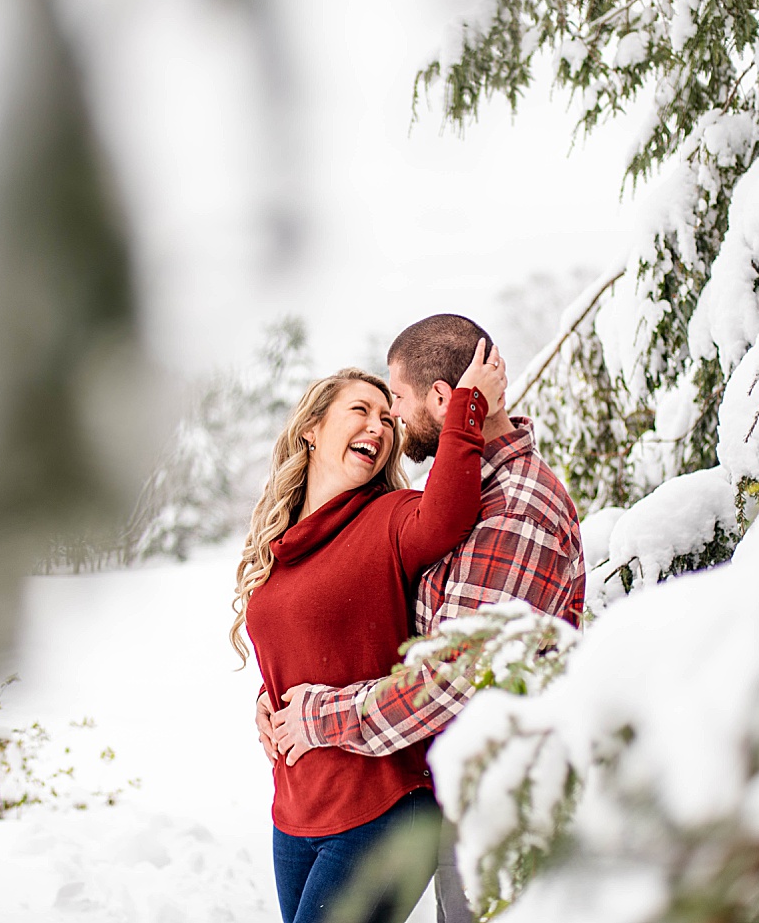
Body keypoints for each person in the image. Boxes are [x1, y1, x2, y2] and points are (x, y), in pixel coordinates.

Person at [263, 314, 586, 923]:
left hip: (501, 806)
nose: (391, 420)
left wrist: (316, 717)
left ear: (441, 398)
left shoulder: (515, 507)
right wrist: (276, 701)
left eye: (396, 400)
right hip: (455, 797)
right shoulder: (473, 493)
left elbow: (452, 681)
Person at [233, 341, 508, 923]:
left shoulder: (392, 516)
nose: (378, 426)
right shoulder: (282, 545)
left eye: (387, 416)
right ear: (311, 429)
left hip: (381, 806)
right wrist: (267, 697)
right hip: (296, 813)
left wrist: (467, 405)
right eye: (359, 410)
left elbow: (448, 516)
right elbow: (304, 641)